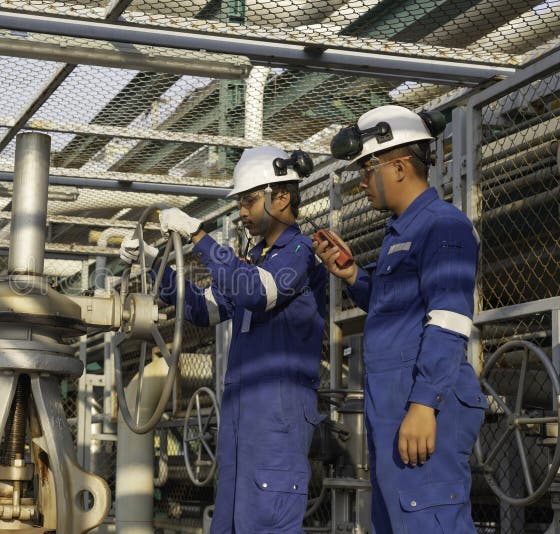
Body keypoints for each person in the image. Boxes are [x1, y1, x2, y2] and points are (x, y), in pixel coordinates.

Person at [120, 146, 326, 533]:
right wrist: (152, 264)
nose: (242, 212)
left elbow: (257, 293)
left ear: (281, 197)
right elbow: (203, 309)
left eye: (249, 201)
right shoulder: (258, 262)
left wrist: (198, 236)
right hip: (242, 421)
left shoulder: (299, 252)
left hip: (275, 422)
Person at [314, 105, 486, 534]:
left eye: (364, 170)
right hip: (396, 407)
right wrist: (352, 273)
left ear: (397, 167)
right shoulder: (402, 232)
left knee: (429, 518)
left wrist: (424, 404)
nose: (360, 183)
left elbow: (448, 319)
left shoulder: (443, 226)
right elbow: (398, 313)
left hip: (423, 406)